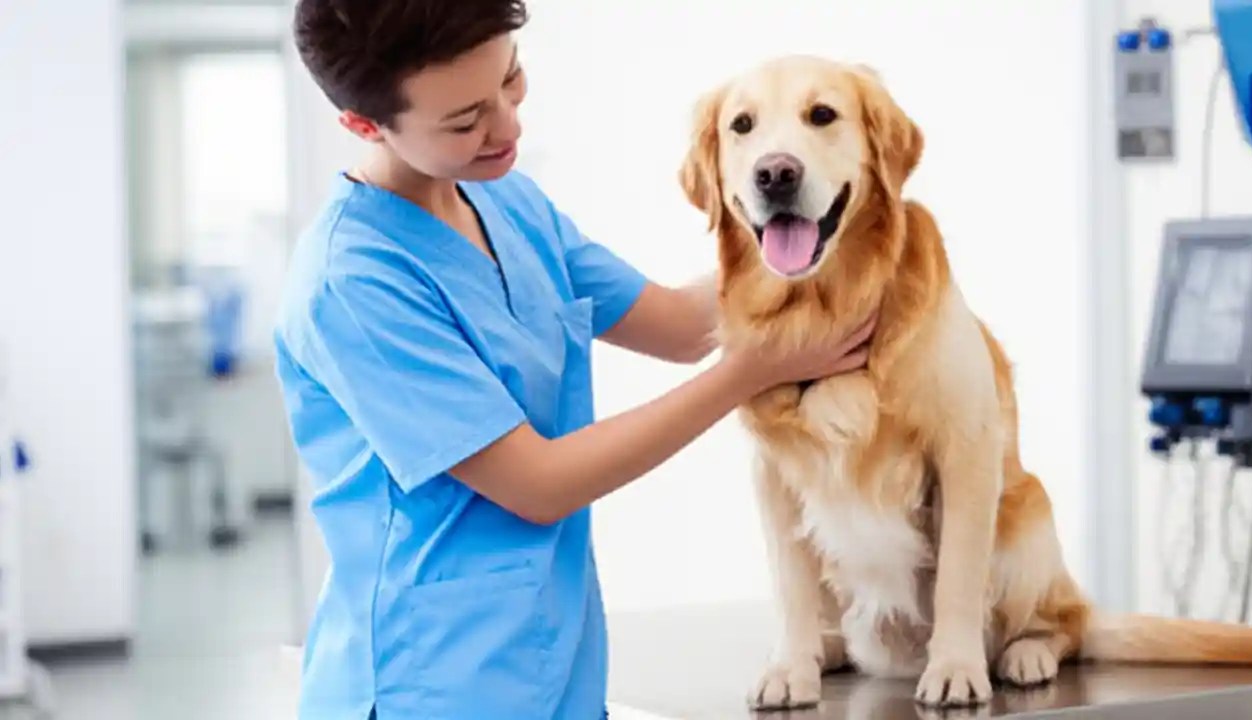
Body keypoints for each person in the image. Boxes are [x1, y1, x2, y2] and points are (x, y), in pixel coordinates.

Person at [275, 1, 877, 718]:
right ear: (365, 125)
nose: (508, 124)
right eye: (466, 121)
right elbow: (538, 483)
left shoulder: (509, 205)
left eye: (512, 79)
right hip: (429, 682)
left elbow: (683, 324)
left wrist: (826, 241)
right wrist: (757, 369)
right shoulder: (352, 281)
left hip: (556, 664)